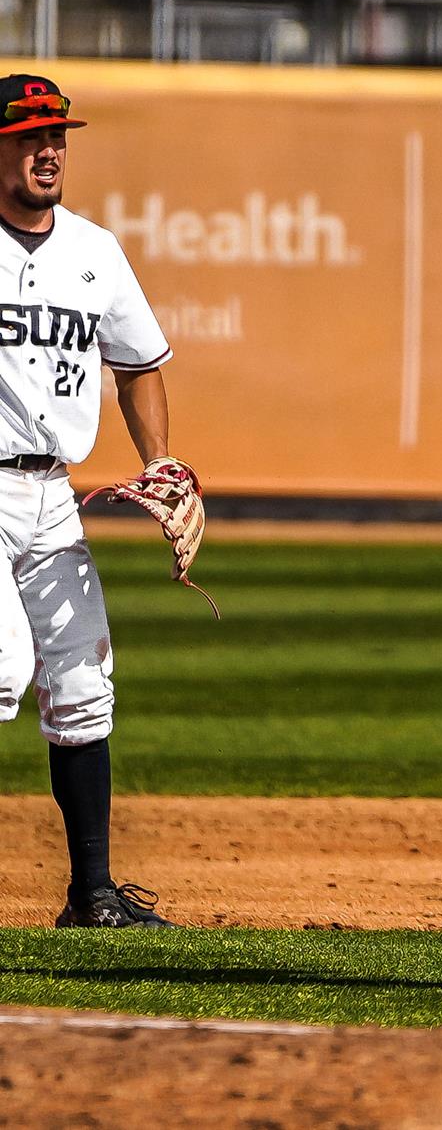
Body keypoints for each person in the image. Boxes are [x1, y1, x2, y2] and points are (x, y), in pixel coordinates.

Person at [0, 74, 181, 927]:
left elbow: (139, 365)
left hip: (53, 495)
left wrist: (161, 462)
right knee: (3, 667)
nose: (48, 150)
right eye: (30, 135)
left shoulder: (94, 250)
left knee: (83, 686)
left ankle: (93, 894)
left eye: (57, 135)